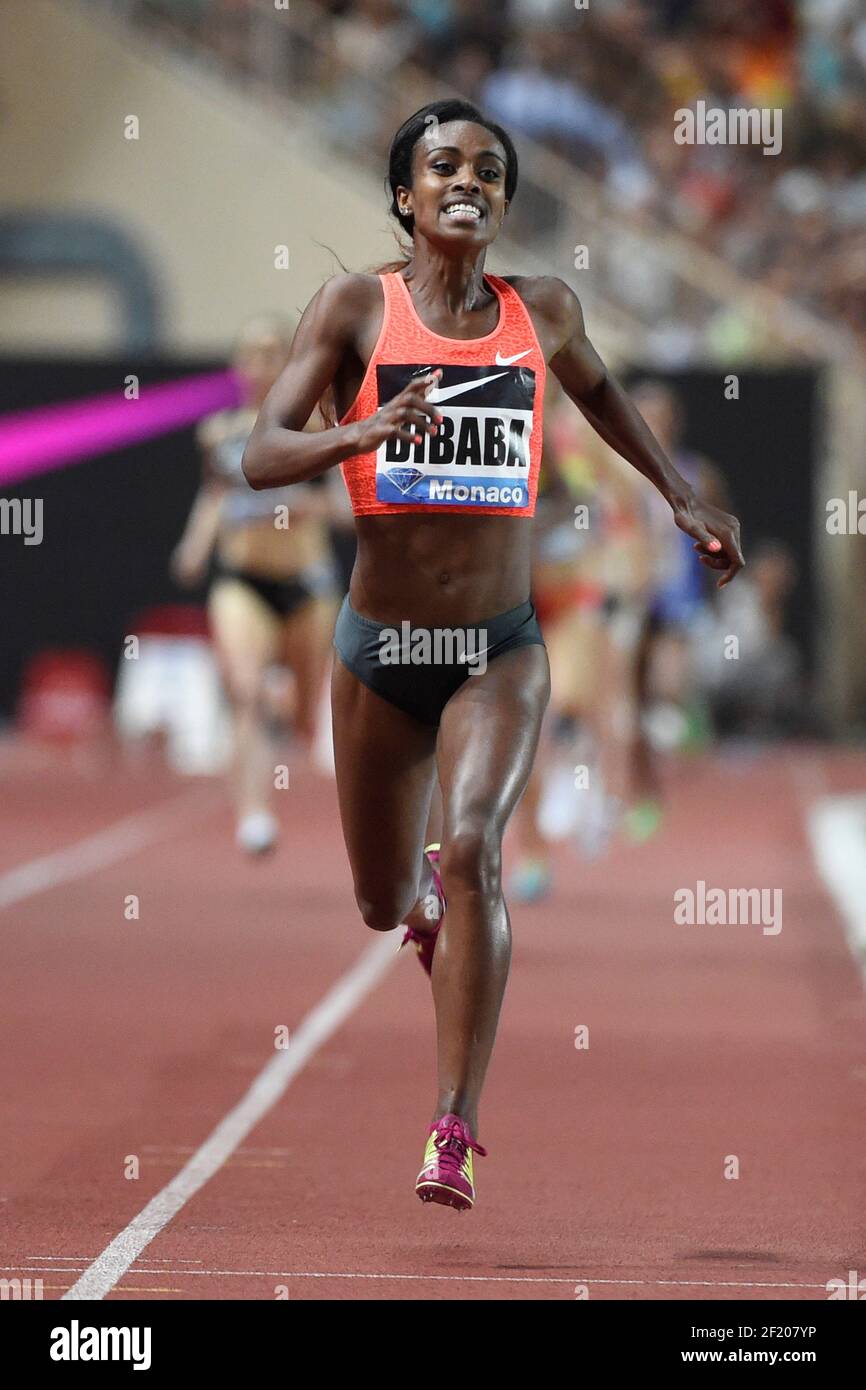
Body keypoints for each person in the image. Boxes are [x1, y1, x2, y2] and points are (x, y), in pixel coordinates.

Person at [242, 99, 743, 1211]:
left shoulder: (543, 313)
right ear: (406, 196)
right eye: (443, 165)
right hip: (380, 649)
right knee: (382, 906)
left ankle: (452, 1128)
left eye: (489, 169)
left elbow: (603, 393)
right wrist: (358, 432)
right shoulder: (352, 311)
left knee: (470, 848)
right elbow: (260, 451)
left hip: (496, 649)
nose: (468, 180)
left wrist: (680, 497)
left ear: (505, 200)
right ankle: (416, 902)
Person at [171, 315, 338, 855]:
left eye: (272, 352)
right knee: (245, 694)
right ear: (237, 365)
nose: (260, 364)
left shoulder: (314, 429)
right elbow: (214, 495)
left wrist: (296, 504)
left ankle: (289, 695)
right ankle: (253, 815)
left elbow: (344, 509)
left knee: (304, 716)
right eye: (251, 353)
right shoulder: (218, 434)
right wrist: (195, 544)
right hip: (242, 580)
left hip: (307, 585)